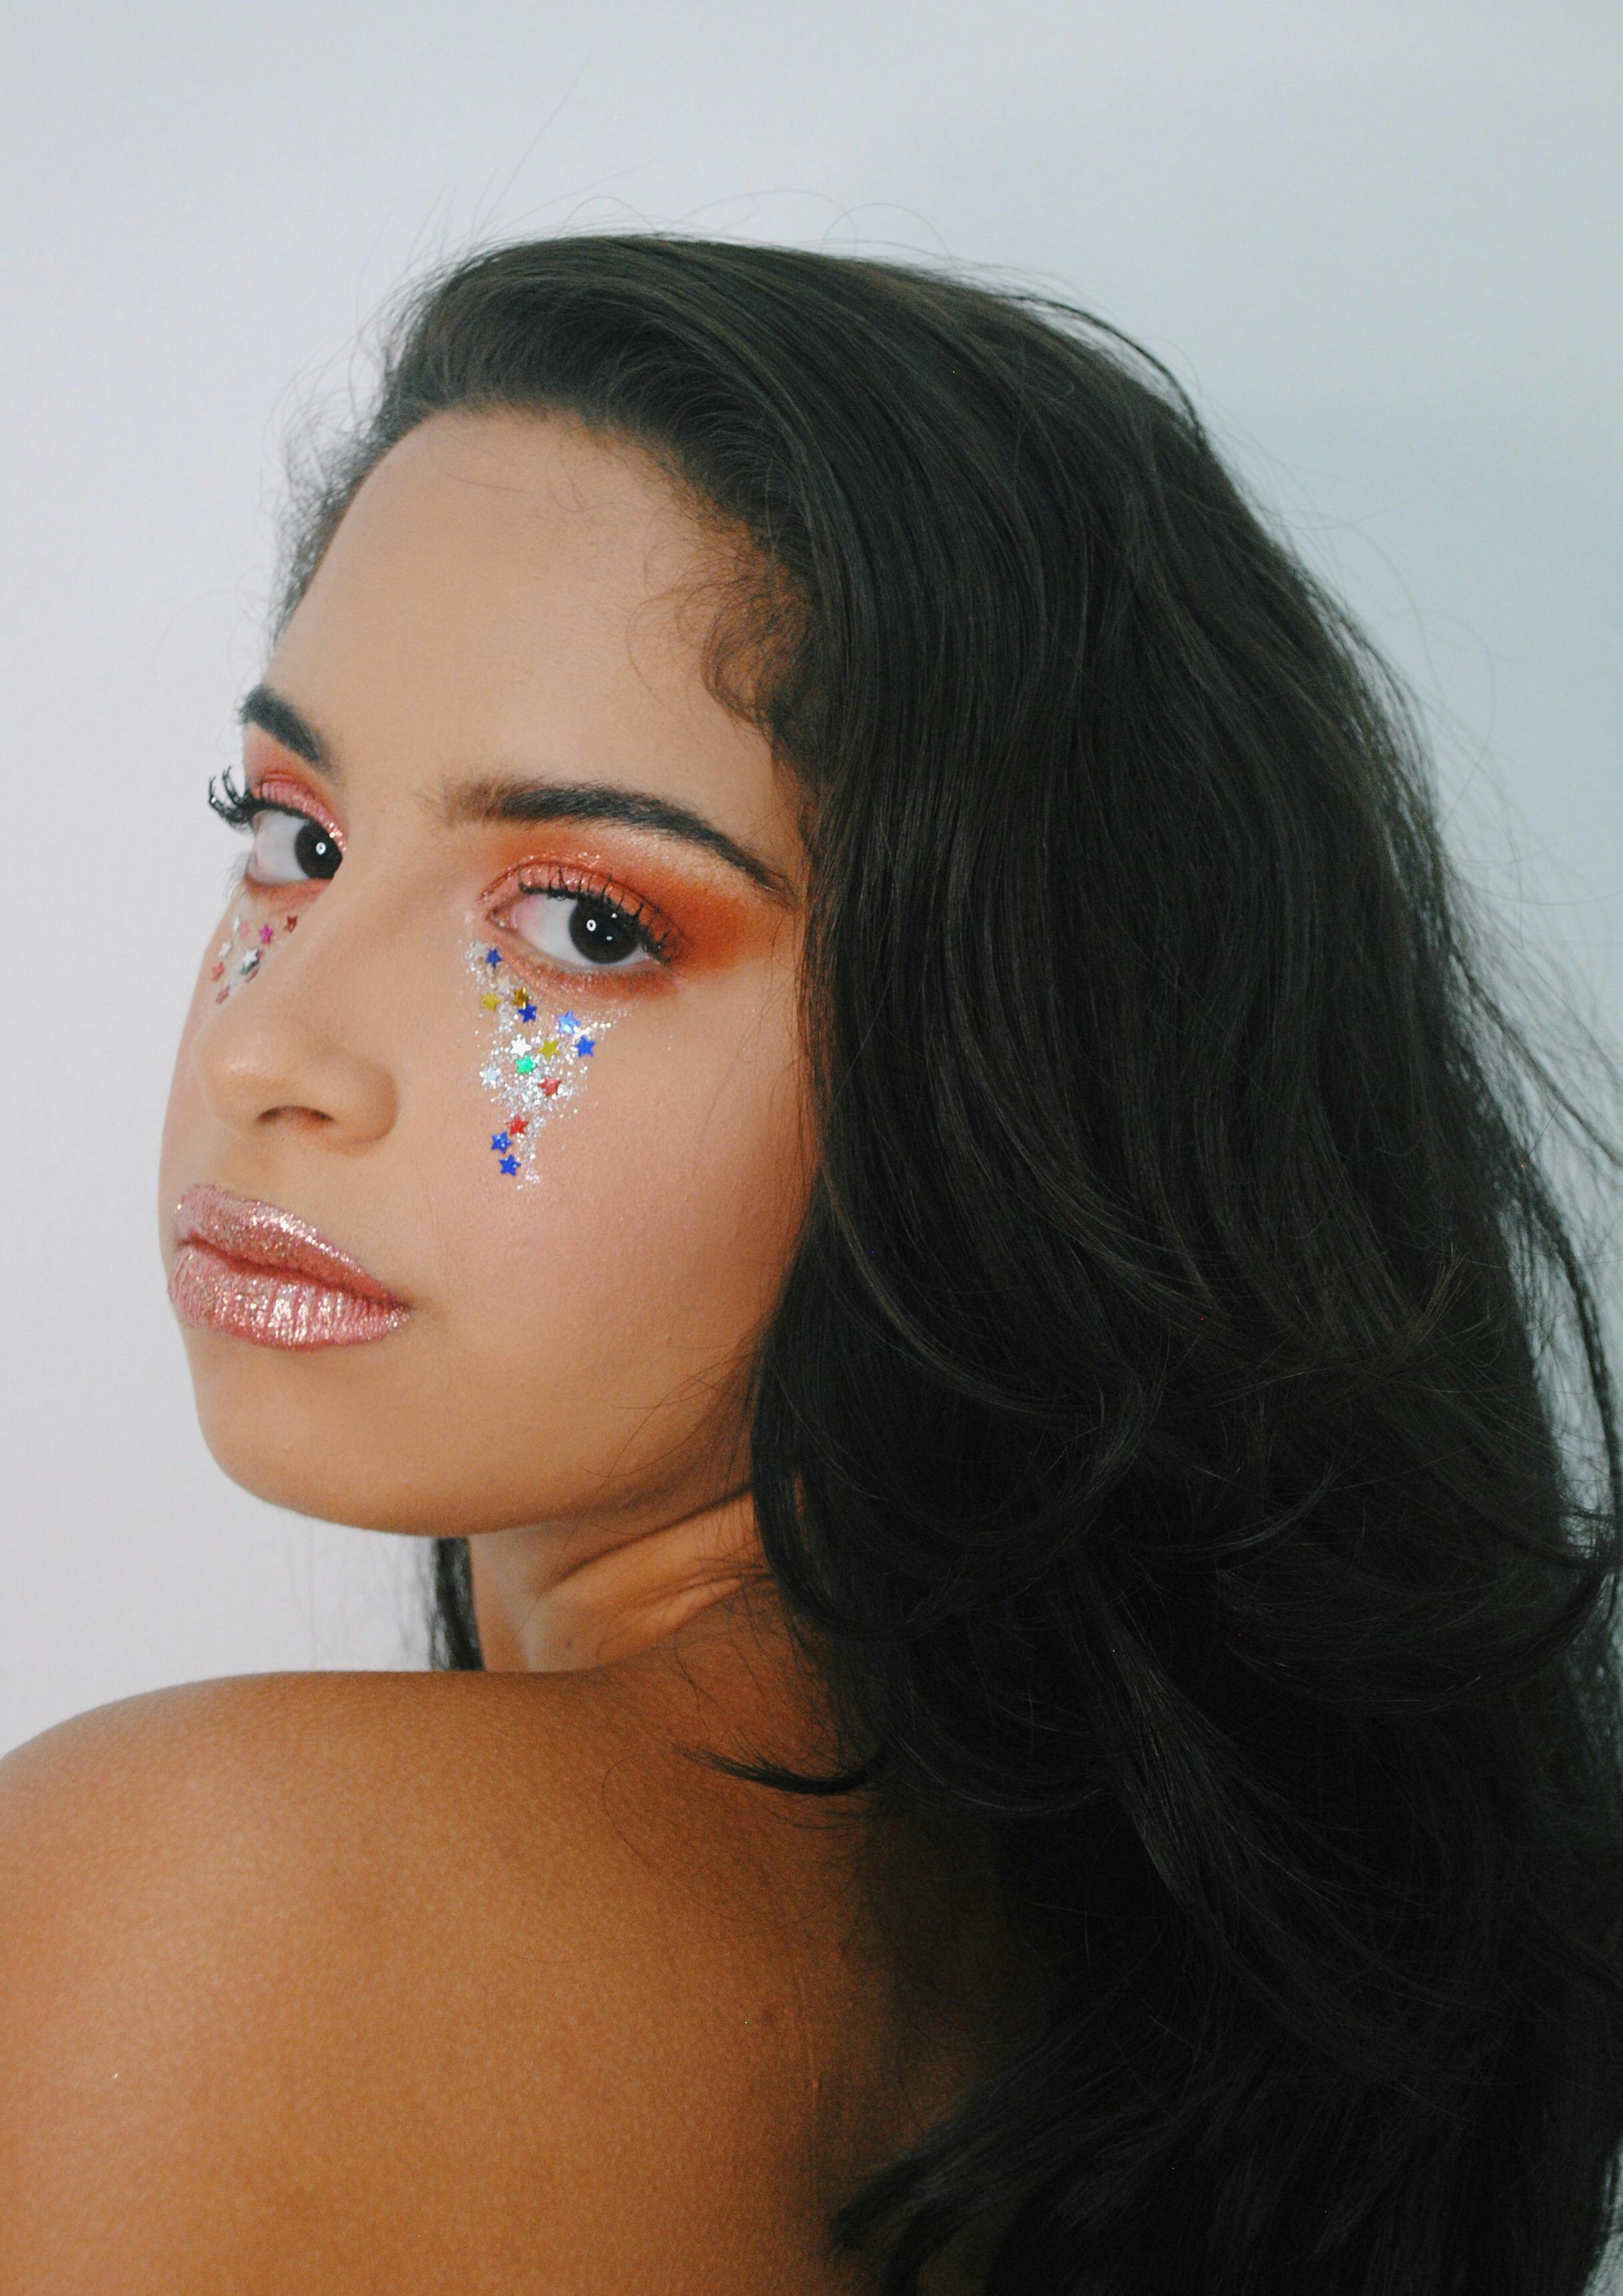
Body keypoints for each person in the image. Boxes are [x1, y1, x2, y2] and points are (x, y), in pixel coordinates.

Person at [1, 236, 1621, 2296]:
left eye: (583, 924)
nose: (268, 1045)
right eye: (297, 837)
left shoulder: (207, 1900)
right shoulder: (1118, 1999)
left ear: (1006, 1071)